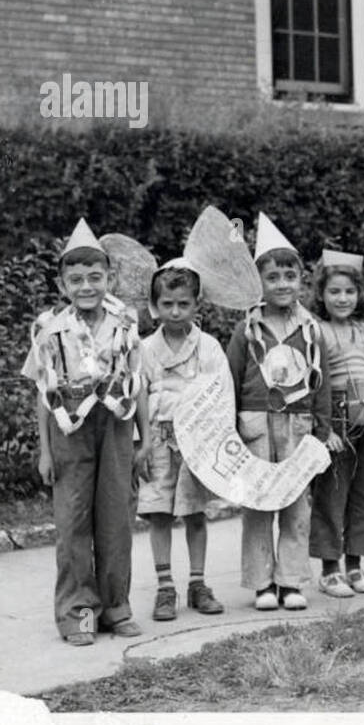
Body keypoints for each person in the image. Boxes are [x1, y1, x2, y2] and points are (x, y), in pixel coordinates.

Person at [22, 219, 148, 646]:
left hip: (115, 427)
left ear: (109, 278)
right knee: (72, 523)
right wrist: (44, 451)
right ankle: (78, 613)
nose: (86, 286)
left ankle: (116, 606)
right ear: (62, 284)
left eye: (95, 277)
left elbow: (137, 384)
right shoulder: (49, 329)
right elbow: (43, 393)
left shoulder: (125, 323)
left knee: (116, 520)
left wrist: (144, 439)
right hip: (68, 429)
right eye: (76, 279)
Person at [225, 213, 330, 612]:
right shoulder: (246, 329)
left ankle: (290, 580)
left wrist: (322, 431)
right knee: (257, 503)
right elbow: (232, 379)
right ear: (260, 282)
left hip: (299, 424)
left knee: (295, 501)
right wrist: (229, 429)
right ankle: (262, 583)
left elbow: (324, 382)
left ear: (301, 279)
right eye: (273, 277)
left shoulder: (311, 329)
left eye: (290, 275)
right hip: (254, 424)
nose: (283, 284)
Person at [137, 262, 230, 620]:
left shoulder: (208, 347)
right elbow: (138, 398)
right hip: (158, 440)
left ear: (196, 305)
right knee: (159, 513)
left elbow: (221, 396)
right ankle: (164, 587)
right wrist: (141, 444)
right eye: (167, 304)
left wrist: (213, 443)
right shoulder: (144, 349)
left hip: (197, 442)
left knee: (194, 513)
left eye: (183, 304)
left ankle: (197, 584)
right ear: (155, 306)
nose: (175, 312)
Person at [310, 251, 364, 597]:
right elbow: (314, 383)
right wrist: (323, 428)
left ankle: (355, 565)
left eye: (348, 292)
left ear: (359, 294)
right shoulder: (317, 331)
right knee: (332, 491)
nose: (342, 299)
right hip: (335, 414)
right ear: (322, 296)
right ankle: (330, 569)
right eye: (334, 292)